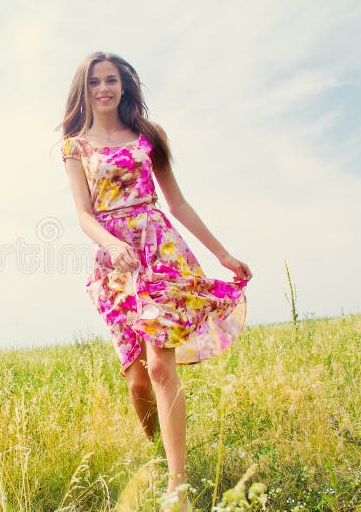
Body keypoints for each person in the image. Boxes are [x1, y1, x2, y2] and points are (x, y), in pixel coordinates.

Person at [59, 51, 252, 511]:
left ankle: (176, 487)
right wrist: (111, 245)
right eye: (94, 82)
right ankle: (158, 454)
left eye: (111, 80)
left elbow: (178, 203)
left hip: (160, 250)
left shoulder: (150, 136)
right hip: (114, 263)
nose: (103, 89)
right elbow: (83, 215)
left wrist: (223, 254)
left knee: (162, 367)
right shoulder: (75, 146)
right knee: (139, 382)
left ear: (124, 85)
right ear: (84, 90)